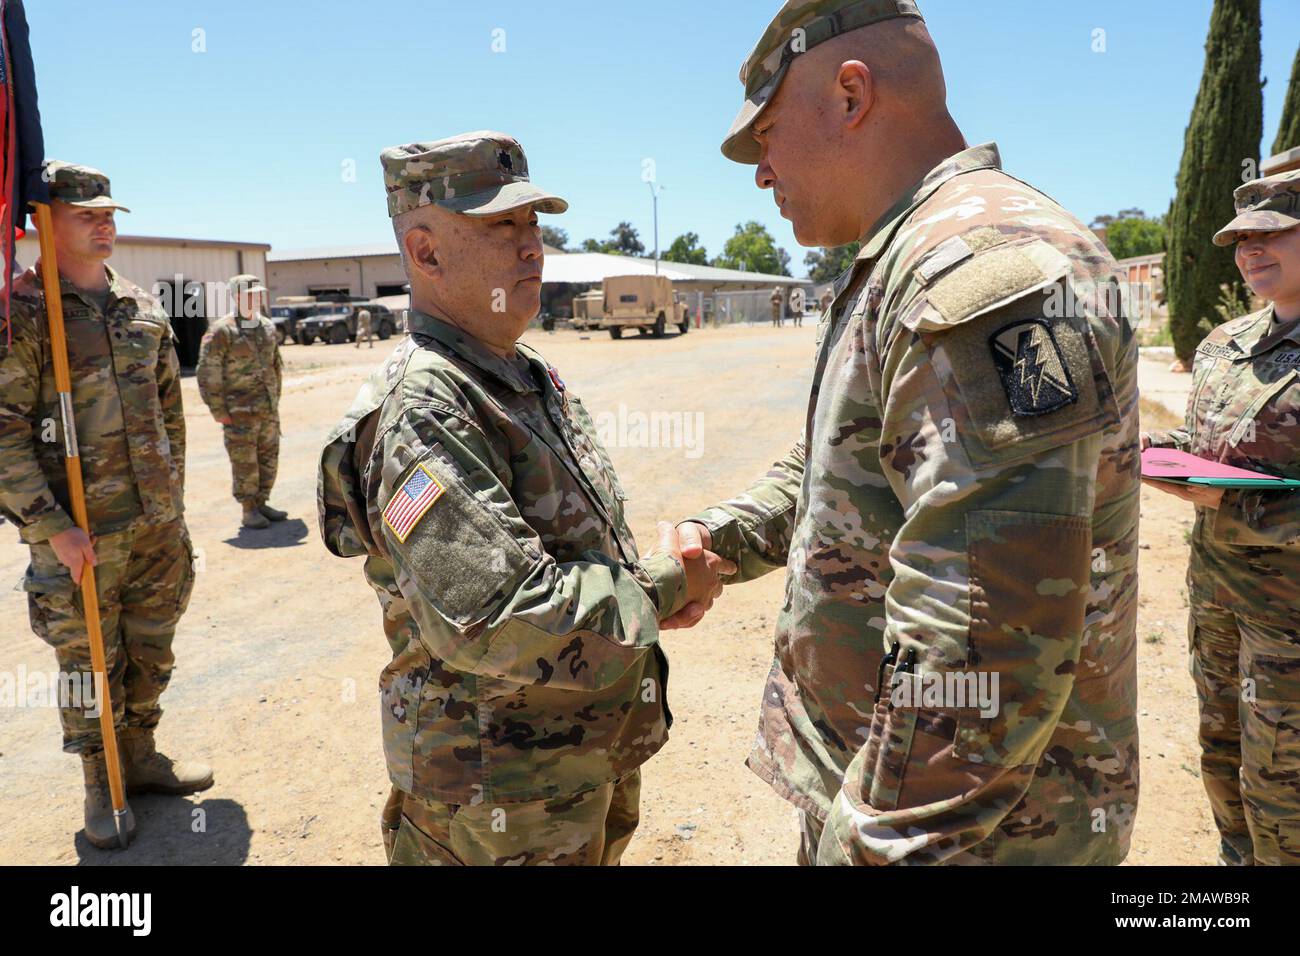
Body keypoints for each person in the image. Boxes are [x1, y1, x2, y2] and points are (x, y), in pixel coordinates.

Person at [666, 0, 1140, 865]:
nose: (760, 173)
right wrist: (721, 535)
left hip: (973, 839)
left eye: (766, 133)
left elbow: (985, 645)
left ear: (851, 95)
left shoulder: (982, 270)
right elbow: (856, 474)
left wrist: (873, 847)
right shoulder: (911, 254)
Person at [317, 131, 734, 866]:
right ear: (426, 252)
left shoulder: (519, 371)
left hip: (571, 764)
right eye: (499, 226)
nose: (532, 246)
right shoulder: (427, 406)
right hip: (497, 793)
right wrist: (666, 584)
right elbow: (497, 620)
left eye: (533, 224)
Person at [0, 161, 212, 849]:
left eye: (110, 212)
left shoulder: (143, 308)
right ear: (42, 221)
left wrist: (173, 507)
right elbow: (2, 435)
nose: (105, 223)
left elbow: (169, 417)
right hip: (78, 533)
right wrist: (51, 527)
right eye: (86, 213)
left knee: (151, 648)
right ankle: (100, 778)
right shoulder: (26, 314)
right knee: (88, 661)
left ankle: (141, 755)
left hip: (154, 526)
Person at [1144, 168, 1300, 866]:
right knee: (1221, 756)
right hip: (1217, 602)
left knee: (1283, 790)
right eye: (1239, 239)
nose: (1249, 252)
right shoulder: (1224, 344)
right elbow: (1206, 445)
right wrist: (1153, 456)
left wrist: (1235, 503)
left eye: (1270, 235)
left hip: (1288, 622)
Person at [196, 274, 287, 530]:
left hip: (267, 410)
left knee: (268, 458)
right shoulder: (222, 331)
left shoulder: (267, 327)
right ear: (236, 296)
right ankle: (248, 509)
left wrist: (275, 401)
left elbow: (275, 366)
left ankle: (262, 501)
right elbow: (207, 373)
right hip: (238, 413)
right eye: (250, 294)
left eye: (258, 294)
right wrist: (218, 410)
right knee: (244, 461)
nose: (256, 299)